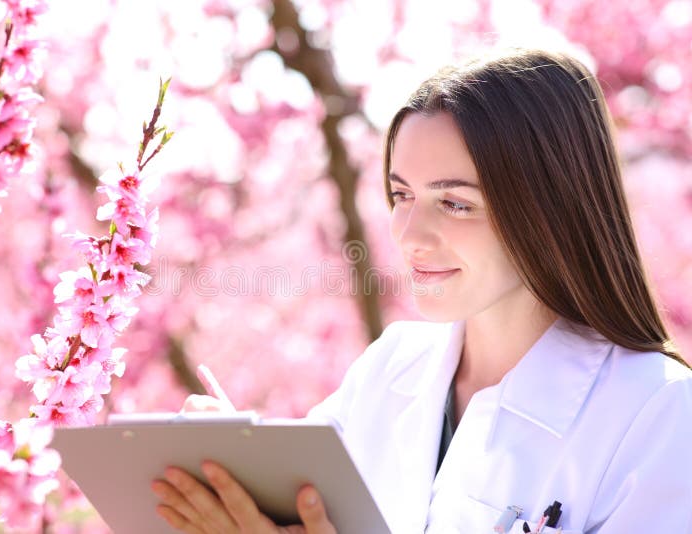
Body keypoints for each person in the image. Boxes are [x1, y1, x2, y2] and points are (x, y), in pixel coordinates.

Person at [150, 48, 692, 533]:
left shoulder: (658, 413)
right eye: (401, 195)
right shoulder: (389, 369)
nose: (409, 237)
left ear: (549, 208)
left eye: (454, 203)